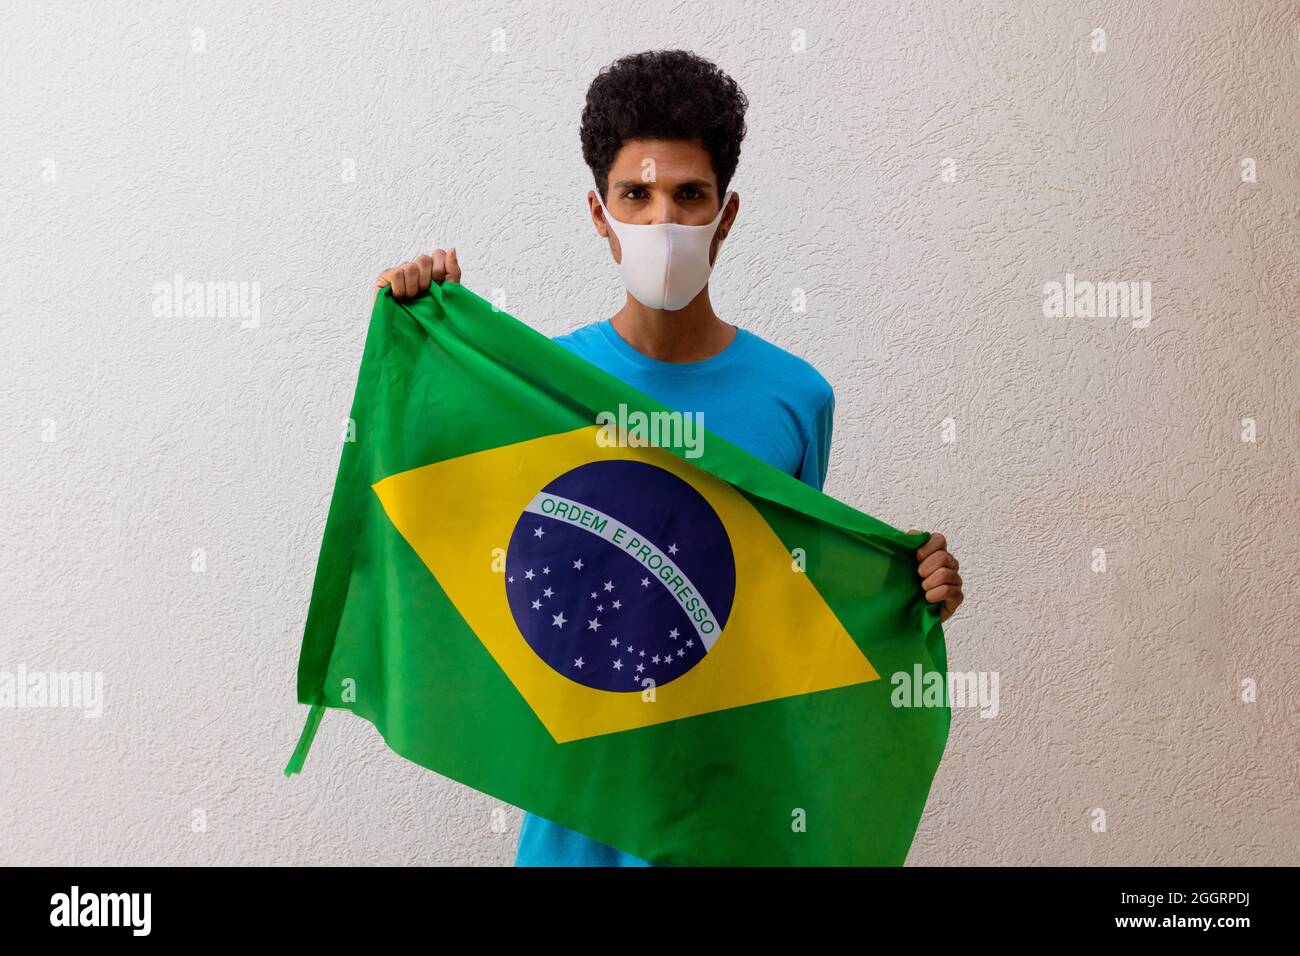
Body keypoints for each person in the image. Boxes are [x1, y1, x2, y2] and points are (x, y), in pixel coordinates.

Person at [373, 49, 965, 866]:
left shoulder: (795, 400)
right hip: (576, 826)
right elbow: (425, 523)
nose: (663, 221)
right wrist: (420, 335)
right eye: (636, 196)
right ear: (597, 212)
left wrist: (904, 593)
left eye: (689, 196)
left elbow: (784, 613)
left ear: (726, 215)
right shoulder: (536, 392)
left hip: (728, 824)